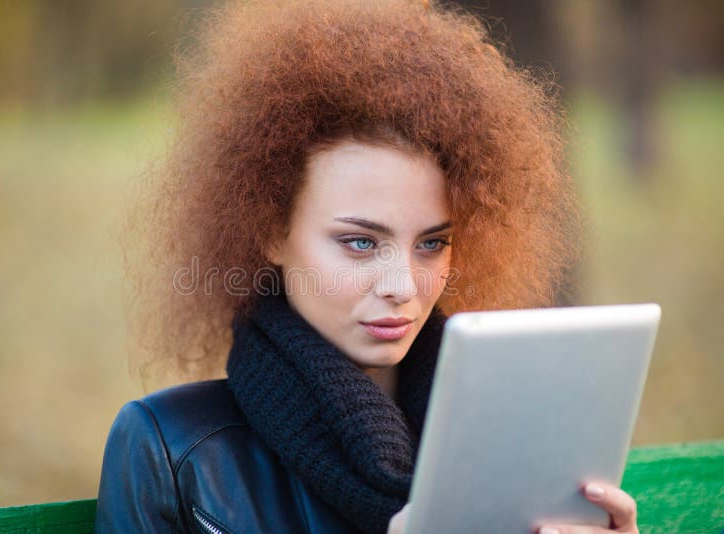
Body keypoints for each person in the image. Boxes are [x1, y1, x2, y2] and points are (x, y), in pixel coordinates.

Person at [95, 0, 640, 533]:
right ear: (269, 232)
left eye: (432, 244)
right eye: (360, 243)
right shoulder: (174, 450)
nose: (403, 286)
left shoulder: (519, 442)